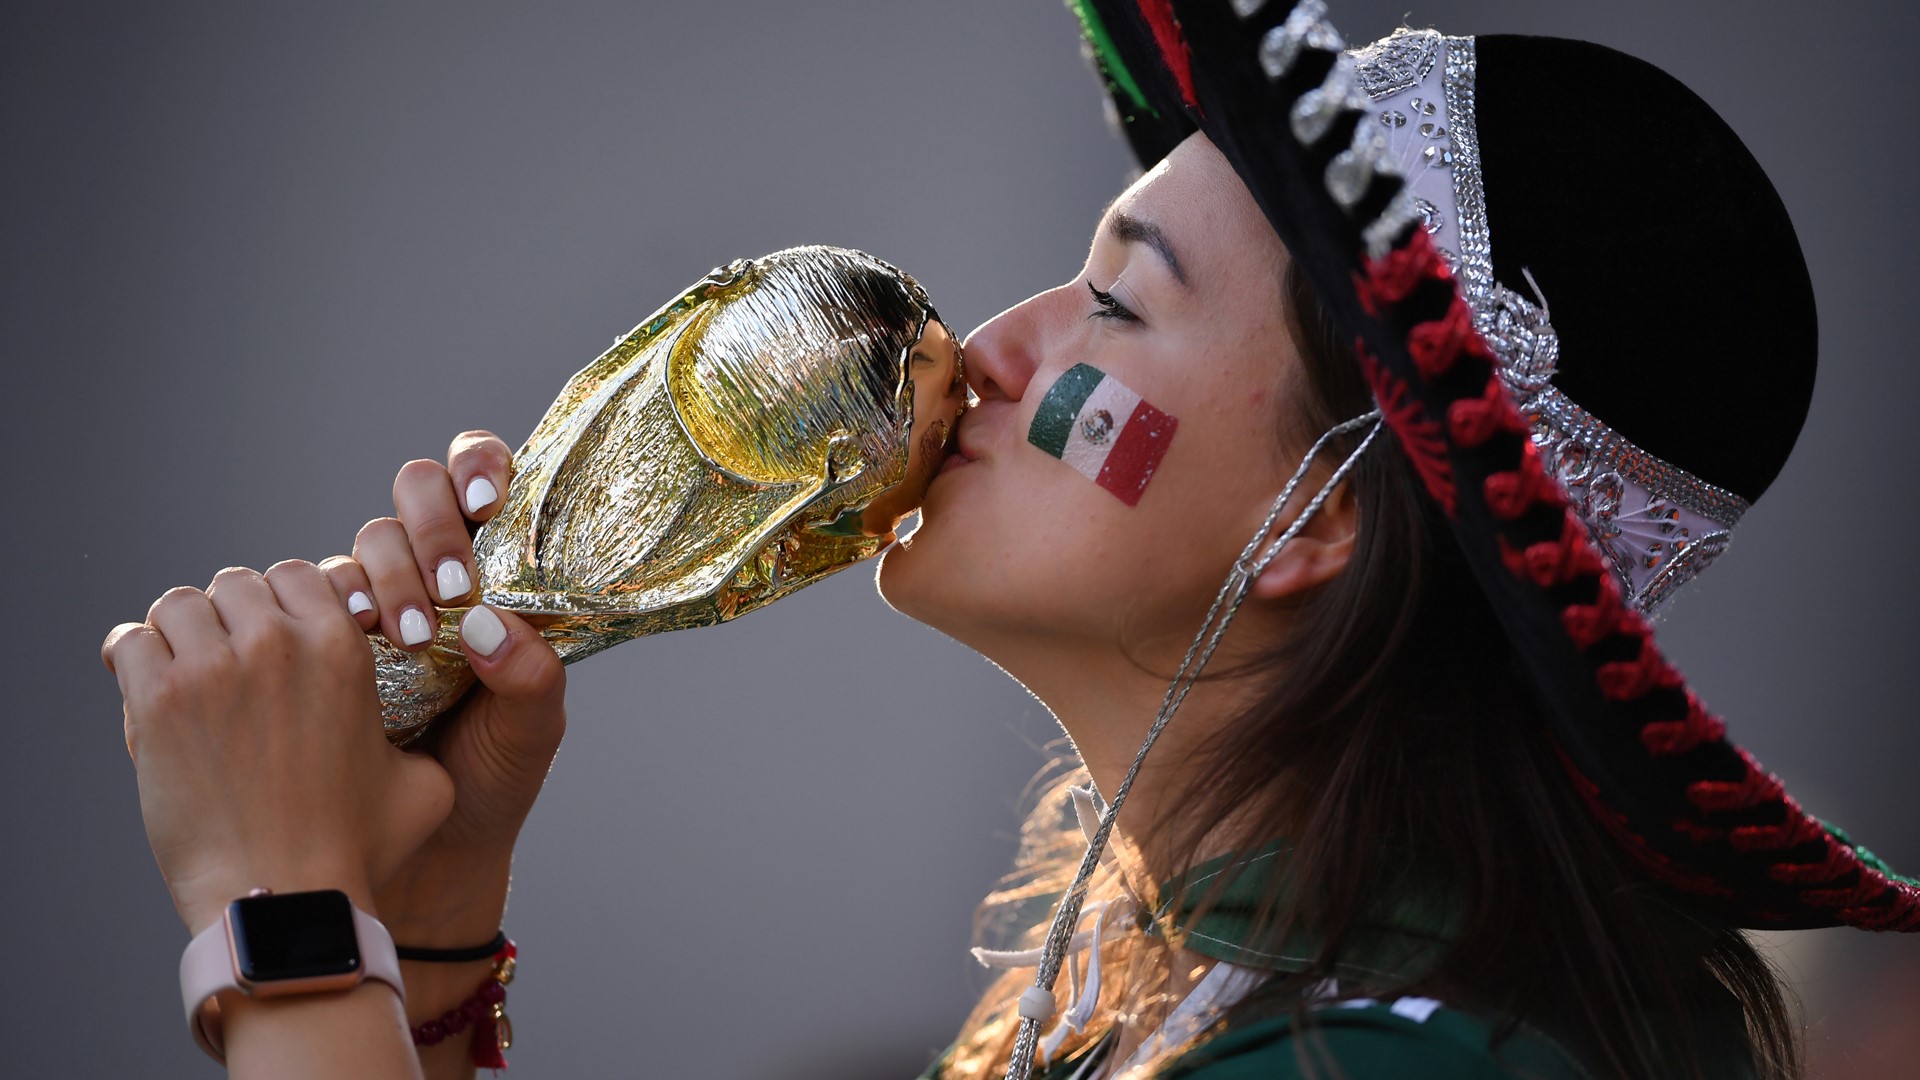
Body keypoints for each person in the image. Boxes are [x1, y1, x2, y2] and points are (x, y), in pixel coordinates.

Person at [99, 3, 1918, 1078]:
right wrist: (426, 922)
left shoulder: (1401, 1062)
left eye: (1119, 304)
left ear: (1325, 518)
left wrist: (285, 928)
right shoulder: (1224, 1007)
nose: (987, 348)